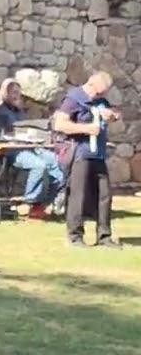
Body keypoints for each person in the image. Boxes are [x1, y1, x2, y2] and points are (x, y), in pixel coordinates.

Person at [52, 71, 120, 248]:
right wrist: (86, 129)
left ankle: (104, 236)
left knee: (104, 195)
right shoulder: (73, 99)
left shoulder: (100, 101)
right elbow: (60, 124)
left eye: (102, 93)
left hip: (98, 154)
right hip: (80, 153)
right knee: (78, 196)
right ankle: (75, 236)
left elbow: (111, 114)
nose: (98, 96)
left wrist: (112, 116)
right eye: (97, 92)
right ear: (91, 84)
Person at [0, 78, 64, 217]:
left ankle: (47, 202)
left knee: (56, 161)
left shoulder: (19, 112)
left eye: (18, 93)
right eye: (13, 93)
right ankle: (31, 202)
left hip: (29, 146)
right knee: (39, 165)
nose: (17, 96)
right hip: (11, 150)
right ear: (5, 93)